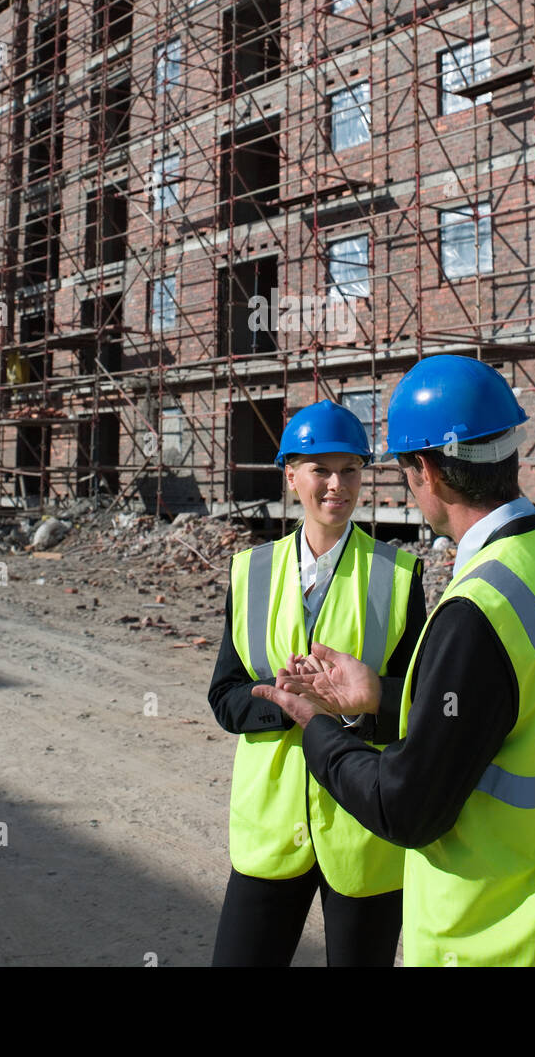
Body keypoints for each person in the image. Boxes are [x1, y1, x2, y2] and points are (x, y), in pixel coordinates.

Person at [253, 355, 535, 967]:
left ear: (426, 472)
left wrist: (318, 729)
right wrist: (382, 697)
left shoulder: (482, 606)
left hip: (494, 941)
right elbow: (514, 720)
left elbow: (406, 807)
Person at [208, 398, 427, 967]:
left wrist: (349, 710)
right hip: (271, 830)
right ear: (290, 476)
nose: (337, 484)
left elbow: (416, 704)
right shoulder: (250, 573)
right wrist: (284, 706)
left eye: (350, 469)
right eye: (320, 469)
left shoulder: (398, 576)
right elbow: (225, 698)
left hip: (361, 830)